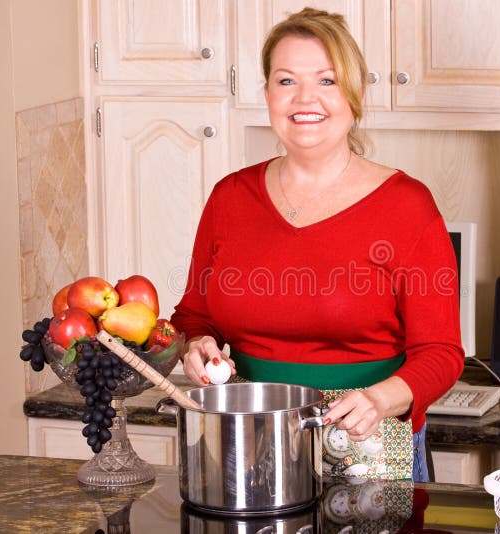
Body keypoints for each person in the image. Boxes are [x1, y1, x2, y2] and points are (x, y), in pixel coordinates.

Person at [170, 7, 464, 481]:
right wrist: (198, 344)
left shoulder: (407, 206)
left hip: (368, 441)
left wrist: (379, 399)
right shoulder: (230, 198)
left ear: (356, 93)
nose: (305, 98)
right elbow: (193, 315)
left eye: (326, 80)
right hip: (245, 440)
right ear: (267, 93)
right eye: (286, 81)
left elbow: (441, 352)